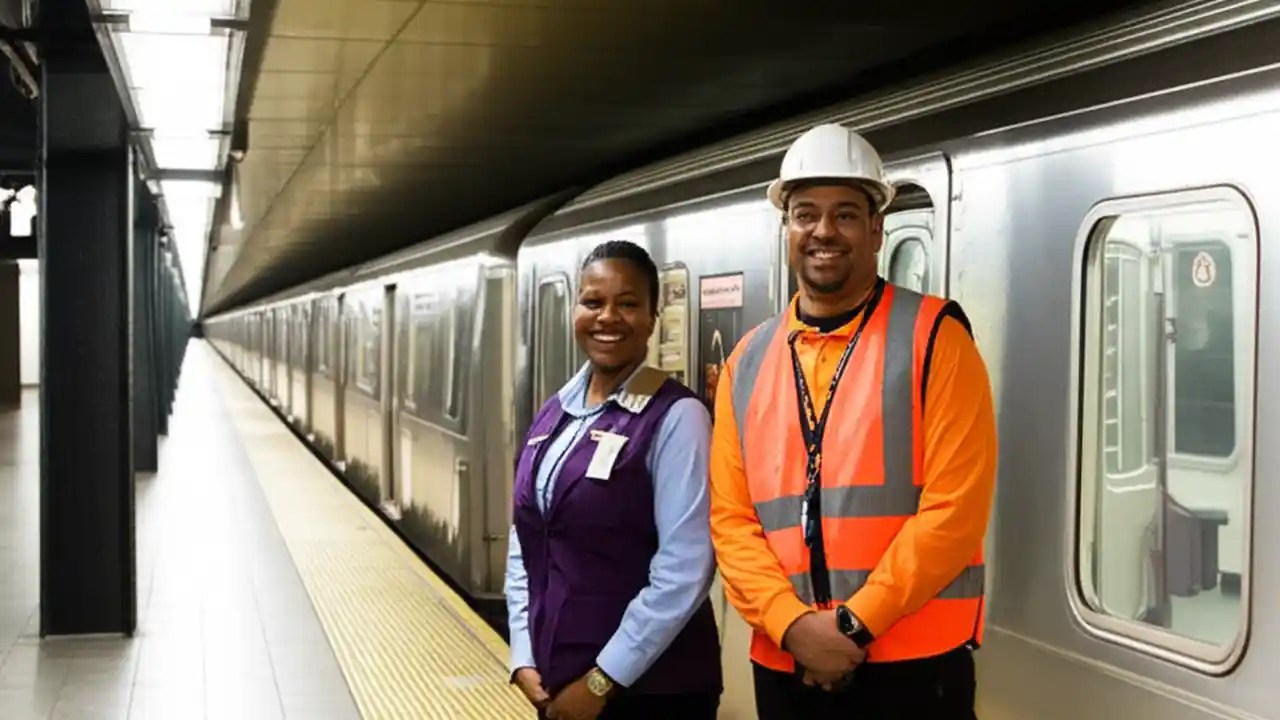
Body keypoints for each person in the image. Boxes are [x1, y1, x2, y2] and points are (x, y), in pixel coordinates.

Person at [708, 122, 998, 718]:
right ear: (786, 228)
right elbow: (731, 522)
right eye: (805, 213)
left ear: (876, 229)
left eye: (845, 214)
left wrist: (852, 626)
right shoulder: (748, 361)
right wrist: (795, 628)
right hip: (787, 662)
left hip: (915, 665)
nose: (823, 231)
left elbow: (955, 511)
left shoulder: (936, 338)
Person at [504, 240, 723, 720]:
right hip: (558, 685)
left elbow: (686, 569)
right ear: (575, 309)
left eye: (628, 304)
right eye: (593, 302)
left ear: (652, 317)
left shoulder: (677, 417)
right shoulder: (555, 413)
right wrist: (522, 653)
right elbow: (526, 541)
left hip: (652, 694)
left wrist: (604, 680)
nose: (608, 317)